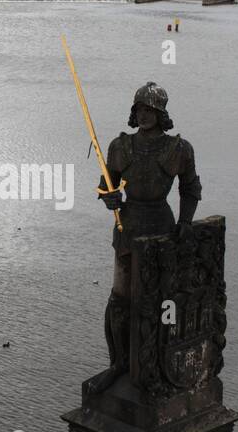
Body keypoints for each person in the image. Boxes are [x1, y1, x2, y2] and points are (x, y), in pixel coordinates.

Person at [86, 82, 202, 394]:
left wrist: (186, 222)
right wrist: (109, 197)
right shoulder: (119, 147)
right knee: (120, 300)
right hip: (128, 228)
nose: (145, 114)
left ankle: (157, 364)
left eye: (151, 109)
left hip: (162, 230)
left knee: (158, 302)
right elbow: (106, 184)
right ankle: (119, 363)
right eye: (140, 109)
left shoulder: (179, 149)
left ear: (162, 113)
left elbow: (190, 188)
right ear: (134, 112)